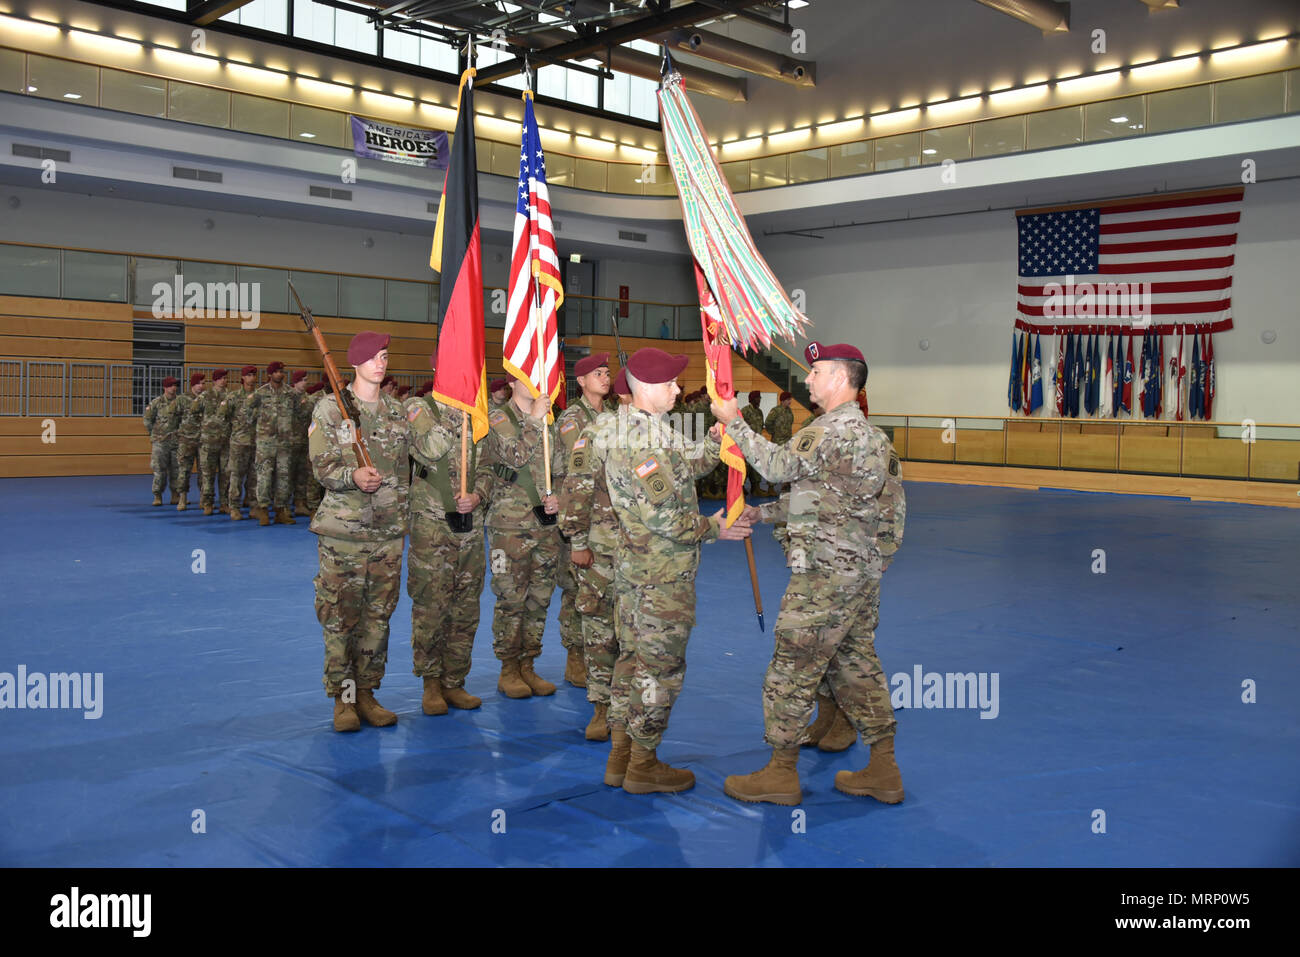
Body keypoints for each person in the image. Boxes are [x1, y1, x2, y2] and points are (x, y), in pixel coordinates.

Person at [711, 341, 904, 806]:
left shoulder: (825, 431)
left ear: (840, 378)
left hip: (821, 577)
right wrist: (766, 515)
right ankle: (884, 767)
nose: (809, 379)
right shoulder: (874, 438)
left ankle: (781, 772)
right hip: (858, 575)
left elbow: (778, 466)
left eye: (816, 371)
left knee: (792, 666)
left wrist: (732, 420)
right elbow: (837, 500)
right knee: (857, 664)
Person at [603, 348, 751, 793]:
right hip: (659, 580)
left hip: (639, 575)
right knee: (659, 670)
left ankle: (621, 758)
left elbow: (693, 461)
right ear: (646, 387)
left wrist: (722, 429)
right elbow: (665, 518)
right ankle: (643, 766)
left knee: (631, 664)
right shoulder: (641, 444)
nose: (676, 389)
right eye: (669, 383)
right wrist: (715, 527)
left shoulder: (647, 430)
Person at [309, 332, 456, 732]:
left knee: (378, 618)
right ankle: (344, 699)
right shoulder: (330, 409)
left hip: (388, 532)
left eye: (385, 356)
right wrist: (351, 475)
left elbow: (434, 449)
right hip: (343, 532)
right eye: (373, 357)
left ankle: (368, 693)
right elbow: (321, 465)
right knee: (340, 617)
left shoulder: (398, 412)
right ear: (354, 363)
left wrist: (455, 401)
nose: (381, 363)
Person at [407, 378, 496, 716]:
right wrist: (455, 412)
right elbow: (429, 449)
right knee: (432, 606)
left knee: (465, 608)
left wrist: (479, 495)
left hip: (469, 529)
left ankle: (454, 681)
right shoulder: (418, 408)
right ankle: (431, 682)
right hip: (432, 529)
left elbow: (487, 466)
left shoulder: (478, 416)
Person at [481, 376, 562, 699]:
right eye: (528, 375)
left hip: (545, 525)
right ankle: (509, 668)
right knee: (511, 599)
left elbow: (559, 467)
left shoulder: (548, 422)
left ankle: (529, 663)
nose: (537, 382)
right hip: (509, 525)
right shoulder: (498, 418)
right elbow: (513, 456)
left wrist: (561, 498)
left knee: (539, 598)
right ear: (513, 381)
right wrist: (534, 420)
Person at [552, 352, 612, 691]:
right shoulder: (573, 418)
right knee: (576, 587)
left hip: (608, 514)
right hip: (580, 513)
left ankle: (600, 655)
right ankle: (575, 656)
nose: (605, 377)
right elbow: (586, 455)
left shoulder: (613, 415)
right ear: (582, 381)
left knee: (604, 586)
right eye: (597, 373)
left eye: (607, 372)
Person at [247, 361, 297, 526]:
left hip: (284, 443)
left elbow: (299, 412)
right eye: (276, 371)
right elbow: (246, 413)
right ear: (269, 374)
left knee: (284, 477)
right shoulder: (260, 394)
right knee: (264, 476)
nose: (279, 374)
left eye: (281, 371)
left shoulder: (290, 393)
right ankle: (263, 509)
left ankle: (280, 510)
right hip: (265, 443)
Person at [190, 368, 231, 516]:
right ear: (214, 380)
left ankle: (224, 503)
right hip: (208, 442)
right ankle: (208, 503)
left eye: (225, 378)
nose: (223, 380)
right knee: (208, 474)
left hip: (225, 441)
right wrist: (204, 424)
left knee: (226, 473)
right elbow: (193, 411)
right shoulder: (204, 396)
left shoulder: (230, 396)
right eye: (220, 378)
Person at [226, 365, 259, 520]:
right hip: (238, 443)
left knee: (254, 477)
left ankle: (253, 506)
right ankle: (234, 507)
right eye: (249, 375)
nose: (252, 378)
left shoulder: (260, 396)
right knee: (236, 476)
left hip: (256, 442)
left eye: (254, 375)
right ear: (243, 377)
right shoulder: (233, 397)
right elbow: (223, 417)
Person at [142, 376, 181, 506]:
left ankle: (175, 495)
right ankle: (157, 495)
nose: (174, 388)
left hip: (176, 442)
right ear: (165, 387)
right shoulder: (156, 403)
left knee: (177, 470)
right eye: (171, 385)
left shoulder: (181, 402)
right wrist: (154, 435)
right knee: (159, 471)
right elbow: (147, 420)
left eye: (175, 385)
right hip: (160, 442)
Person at [172, 372, 205, 510]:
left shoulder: (206, 398)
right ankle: (182, 498)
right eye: (199, 383)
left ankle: (204, 499)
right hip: (186, 440)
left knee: (204, 471)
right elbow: (173, 416)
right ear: (193, 384)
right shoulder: (182, 399)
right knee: (184, 471)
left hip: (203, 440)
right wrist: (178, 434)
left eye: (203, 383)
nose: (201, 386)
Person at [288, 370, 314, 517]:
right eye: (303, 380)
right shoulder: (289, 397)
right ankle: (283, 505)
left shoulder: (307, 398)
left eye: (306, 379)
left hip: (304, 441)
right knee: (287, 475)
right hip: (290, 441)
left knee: (302, 474)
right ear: (296, 381)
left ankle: (299, 503)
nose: (306, 382)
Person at [741, 390, 767, 495]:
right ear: (752, 399)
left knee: (757, 465)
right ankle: (741, 488)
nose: (759, 400)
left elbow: (761, 426)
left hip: (757, 443)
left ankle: (755, 487)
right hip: (747, 443)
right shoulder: (745, 411)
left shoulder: (759, 411)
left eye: (760, 398)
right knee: (745, 467)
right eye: (757, 398)